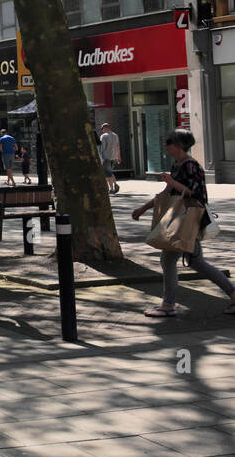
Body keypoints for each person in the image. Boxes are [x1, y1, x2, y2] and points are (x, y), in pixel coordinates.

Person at [131, 128, 235, 318]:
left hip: (187, 220)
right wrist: (143, 209)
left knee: (168, 259)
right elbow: (167, 194)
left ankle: (168, 305)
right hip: (183, 220)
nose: (166, 146)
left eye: (169, 142)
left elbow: (194, 193)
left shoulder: (190, 165)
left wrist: (172, 181)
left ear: (178, 145)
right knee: (197, 262)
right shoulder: (178, 165)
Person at [98, 122, 121, 194]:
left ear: (105, 128)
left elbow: (102, 148)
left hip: (106, 157)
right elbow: (117, 147)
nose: (102, 130)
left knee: (108, 174)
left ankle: (111, 189)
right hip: (114, 157)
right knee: (110, 172)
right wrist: (119, 157)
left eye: (102, 129)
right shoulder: (115, 135)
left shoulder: (103, 136)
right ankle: (115, 184)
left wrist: (101, 158)